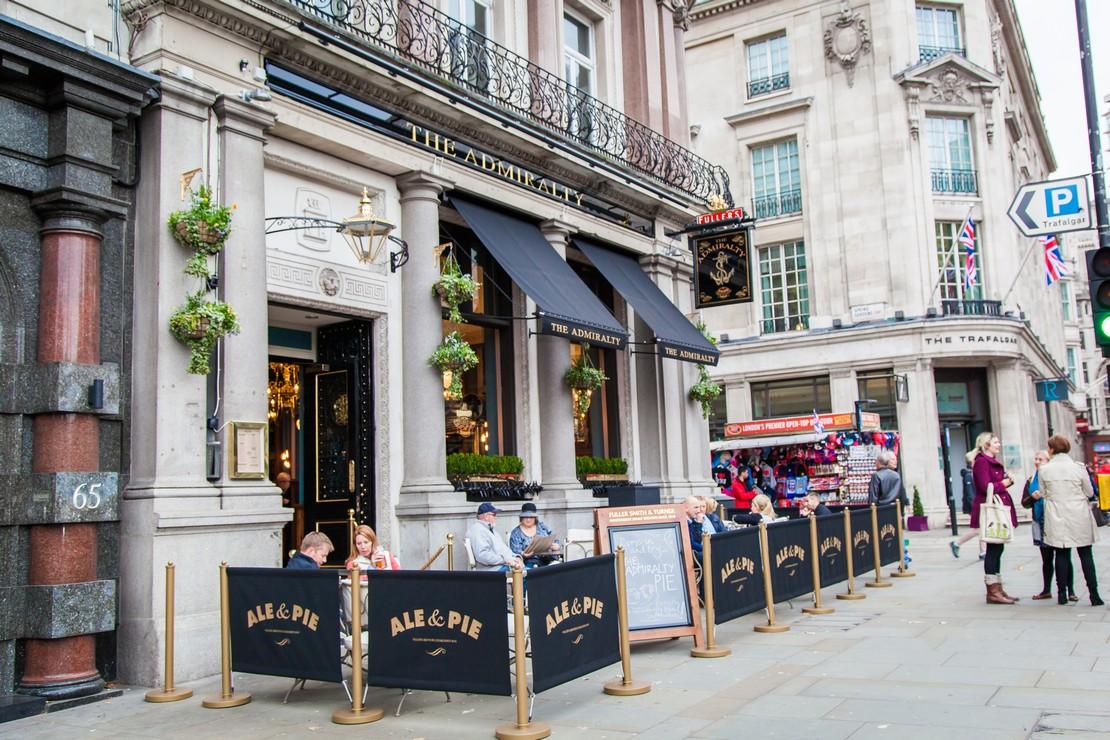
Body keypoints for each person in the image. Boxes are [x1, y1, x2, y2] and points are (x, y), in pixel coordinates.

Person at [1038, 435, 1102, 606]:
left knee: (1061, 553)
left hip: (1056, 514)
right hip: (1078, 514)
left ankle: (1062, 595)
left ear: (1052, 449)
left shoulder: (1044, 469)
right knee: (1085, 554)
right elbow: (1090, 492)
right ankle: (1094, 595)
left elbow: (1043, 493)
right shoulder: (1078, 468)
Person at [1022, 450, 1076, 602]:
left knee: (1064, 556)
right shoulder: (1031, 480)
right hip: (1040, 522)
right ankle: (1046, 590)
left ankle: (1070, 591)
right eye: (1036, 459)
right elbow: (1024, 503)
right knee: (1046, 559)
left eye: (1041, 459)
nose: (1037, 462)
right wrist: (1032, 498)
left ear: (1049, 461)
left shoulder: (1055, 478)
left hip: (1057, 519)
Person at [971, 432, 1018, 605]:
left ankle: (998, 588)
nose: (999, 444)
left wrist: (1006, 482)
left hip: (998, 507)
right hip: (991, 510)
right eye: (995, 442)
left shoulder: (991, 461)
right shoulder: (982, 462)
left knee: (998, 549)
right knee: (993, 550)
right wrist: (1004, 483)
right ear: (986, 445)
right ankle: (992, 591)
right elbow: (985, 487)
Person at [466, 502, 523, 571]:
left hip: (502, 566)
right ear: (486, 516)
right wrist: (505, 560)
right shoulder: (477, 530)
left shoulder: (490, 529)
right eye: (494, 515)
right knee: (528, 574)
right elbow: (482, 555)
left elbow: (504, 549)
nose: (496, 517)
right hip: (491, 570)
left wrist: (516, 557)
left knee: (530, 572)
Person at [951, 448, 986, 560]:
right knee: (979, 529)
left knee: (981, 528)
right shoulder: (968, 475)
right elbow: (970, 494)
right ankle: (957, 543)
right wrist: (976, 507)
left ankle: (983, 552)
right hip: (974, 506)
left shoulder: (974, 473)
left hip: (976, 504)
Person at [510, 502, 561, 568]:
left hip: (549, 558)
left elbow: (555, 539)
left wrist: (557, 545)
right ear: (521, 518)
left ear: (535, 518)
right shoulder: (516, 533)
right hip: (530, 562)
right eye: (525, 517)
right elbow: (515, 552)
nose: (528, 520)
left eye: (531, 517)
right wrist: (523, 554)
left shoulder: (542, 527)